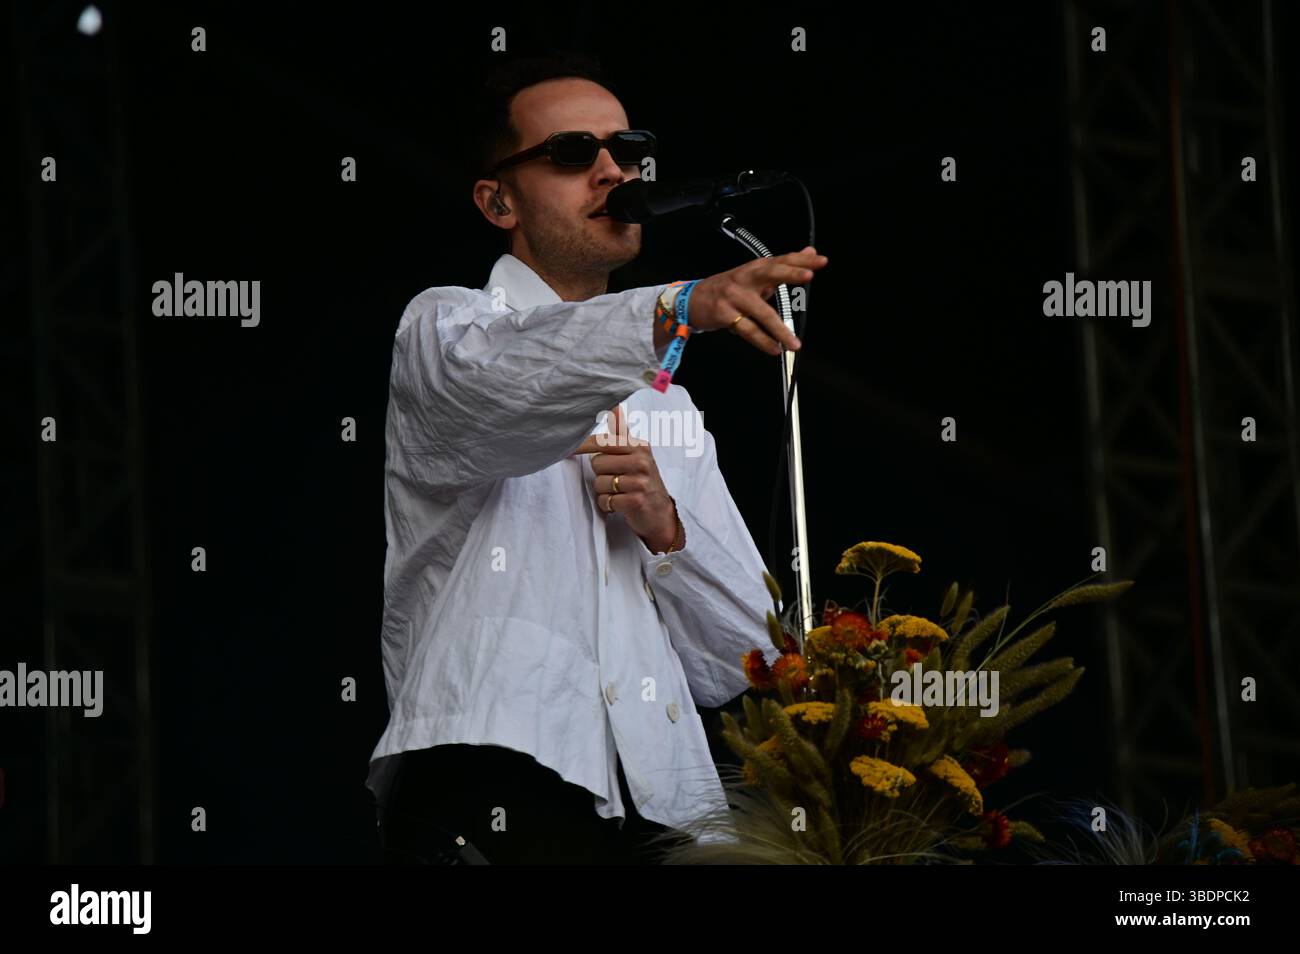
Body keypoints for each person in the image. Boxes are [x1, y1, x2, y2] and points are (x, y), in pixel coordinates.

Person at [368, 51, 829, 864]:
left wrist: (668, 533)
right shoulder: (443, 327)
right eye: (574, 154)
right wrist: (681, 304)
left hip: (661, 807)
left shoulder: (667, 407)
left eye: (628, 149)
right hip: (492, 769)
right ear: (497, 199)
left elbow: (748, 659)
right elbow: (504, 383)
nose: (614, 171)